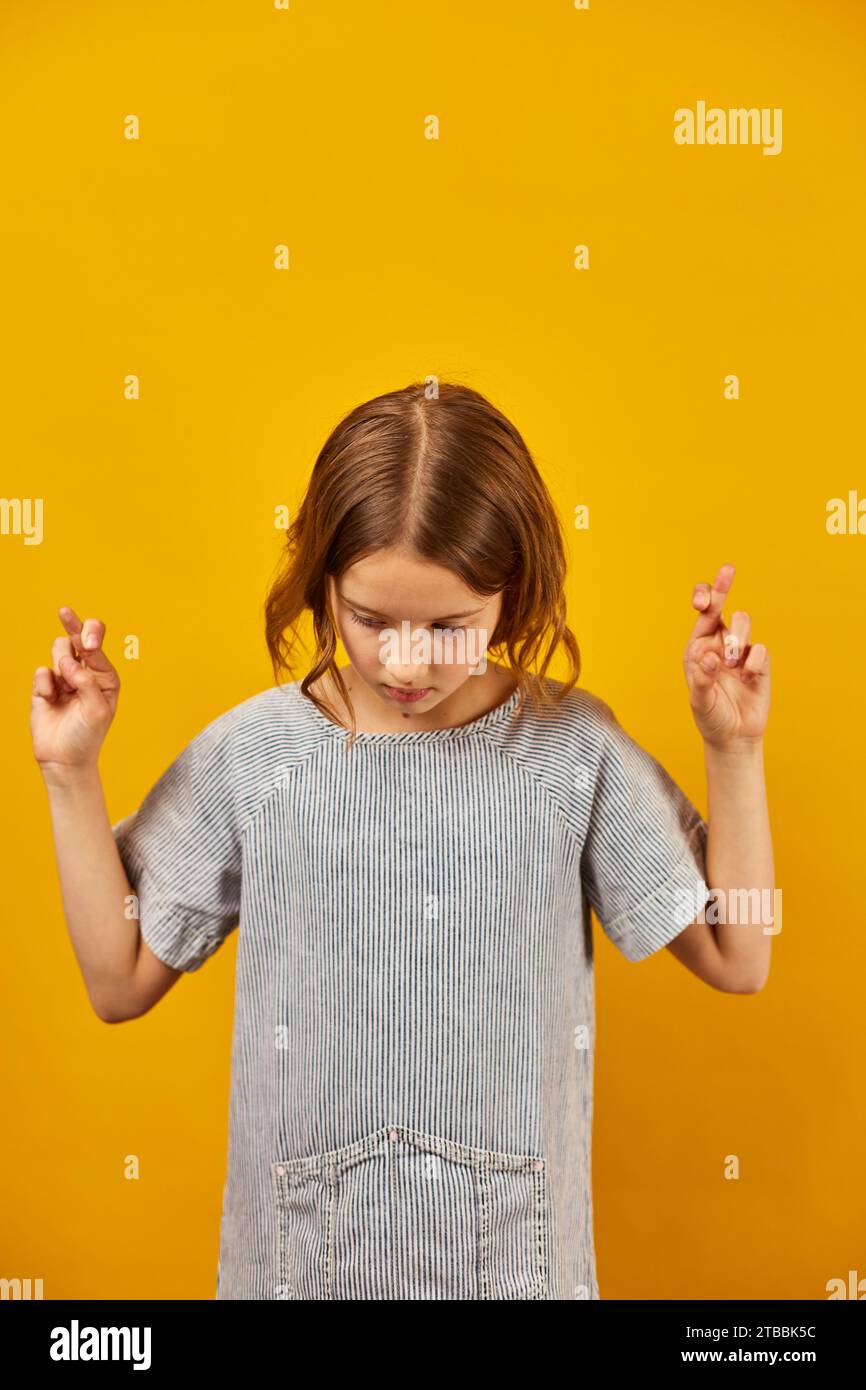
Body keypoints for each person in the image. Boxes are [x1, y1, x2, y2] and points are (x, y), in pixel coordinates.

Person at [30, 380, 774, 1300]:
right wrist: (71, 774)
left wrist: (732, 749)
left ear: (514, 592)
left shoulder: (568, 750)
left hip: (513, 1273)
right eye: (370, 620)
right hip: (295, 1275)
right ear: (321, 588)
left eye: (449, 627)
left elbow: (741, 956)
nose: (405, 662)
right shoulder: (259, 755)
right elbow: (117, 981)